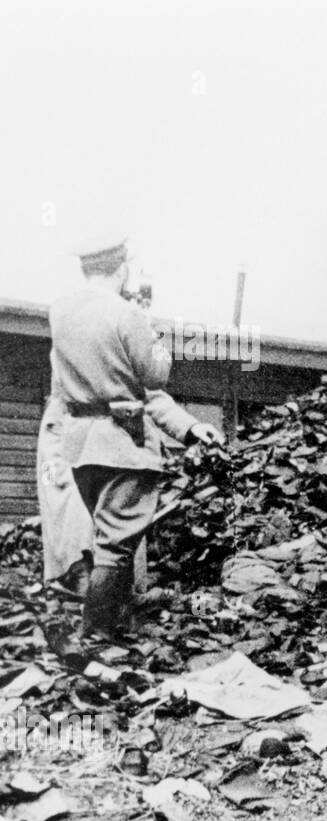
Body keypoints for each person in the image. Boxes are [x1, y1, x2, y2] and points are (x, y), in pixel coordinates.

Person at [49, 237, 221, 640]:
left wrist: (190, 427)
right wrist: (155, 338)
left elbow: (77, 383)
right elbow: (154, 378)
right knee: (115, 546)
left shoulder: (61, 312)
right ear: (121, 268)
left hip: (81, 446)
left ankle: (113, 627)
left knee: (112, 538)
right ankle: (95, 635)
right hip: (123, 445)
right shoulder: (127, 314)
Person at [37, 390, 222, 597]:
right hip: (69, 441)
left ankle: (119, 596)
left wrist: (190, 426)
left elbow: (146, 393)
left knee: (121, 522)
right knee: (73, 513)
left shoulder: (122, 368)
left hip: (116, 448)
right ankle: (79, 579)